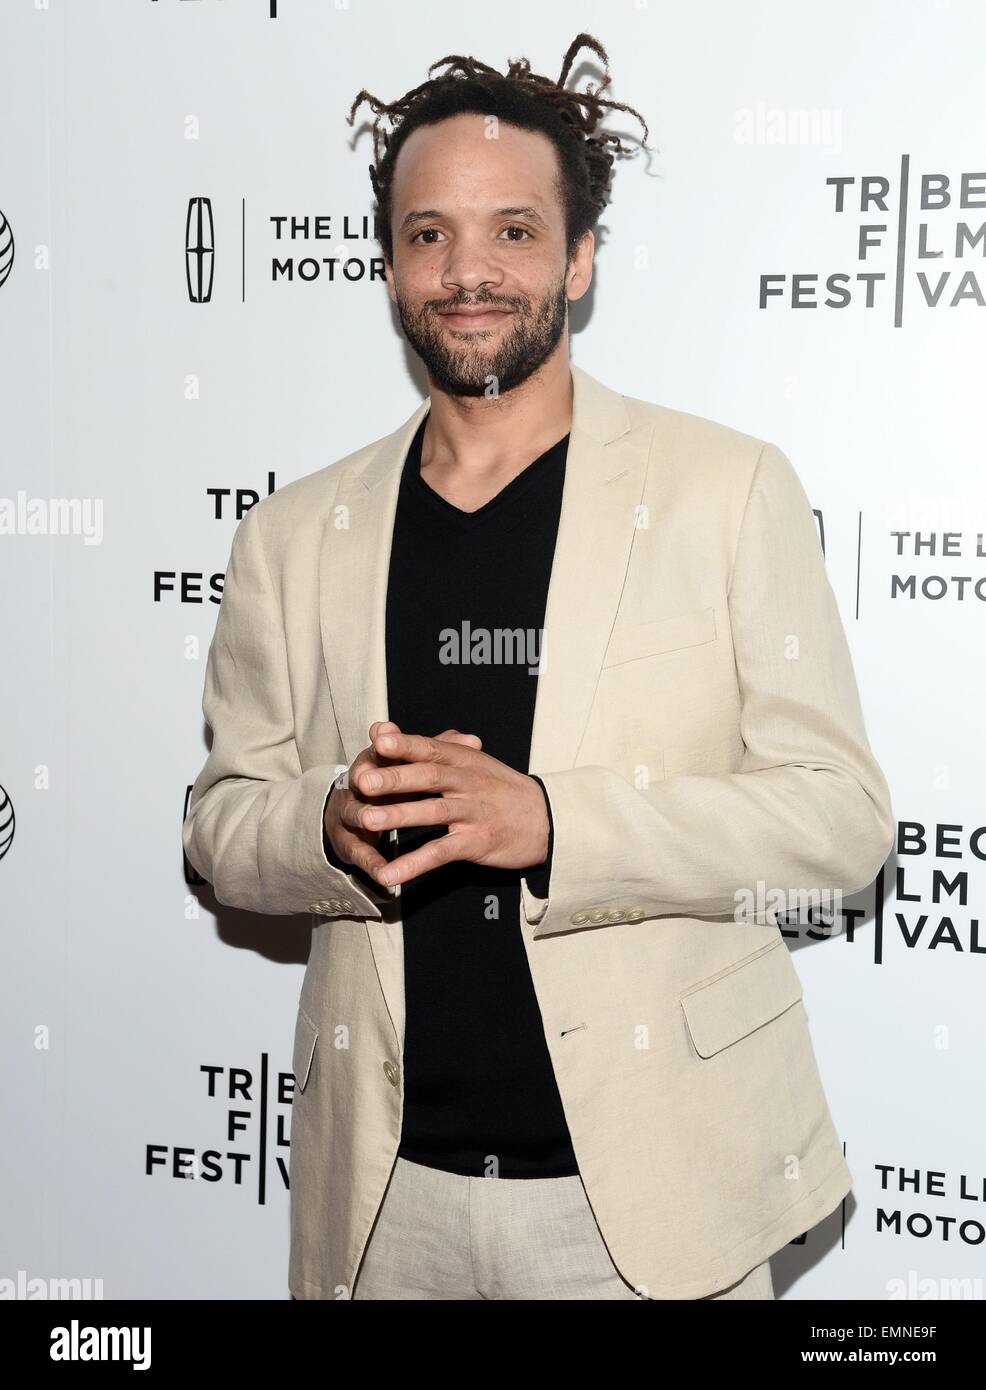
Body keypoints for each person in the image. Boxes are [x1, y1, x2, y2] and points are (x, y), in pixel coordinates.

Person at [182, 33, 894, 1301]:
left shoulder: (722, 490)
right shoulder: (291, 534)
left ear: (577, 260)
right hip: (383, 1200)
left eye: (512, 231)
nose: (468, 271)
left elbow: (839, 824)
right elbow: (222, 825)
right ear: (389, 266)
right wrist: (326, 824)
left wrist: (554, 822)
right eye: (429, 235)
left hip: (651, 1202)